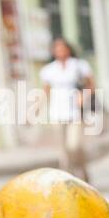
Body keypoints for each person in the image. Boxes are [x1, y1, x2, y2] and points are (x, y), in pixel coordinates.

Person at [40, 37, 95, 181]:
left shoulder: (79, 65)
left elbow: (91, 85)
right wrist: (37, 110)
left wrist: (84, 96)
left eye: (62, 48)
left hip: (74, 111)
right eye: (56, 49)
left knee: (74, 145)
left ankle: (83, 170)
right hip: (56, 112)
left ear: (68, 49)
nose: (60, 51)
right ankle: (68, 180)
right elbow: (45, 91)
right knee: (63, 151)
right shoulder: (49, 70)